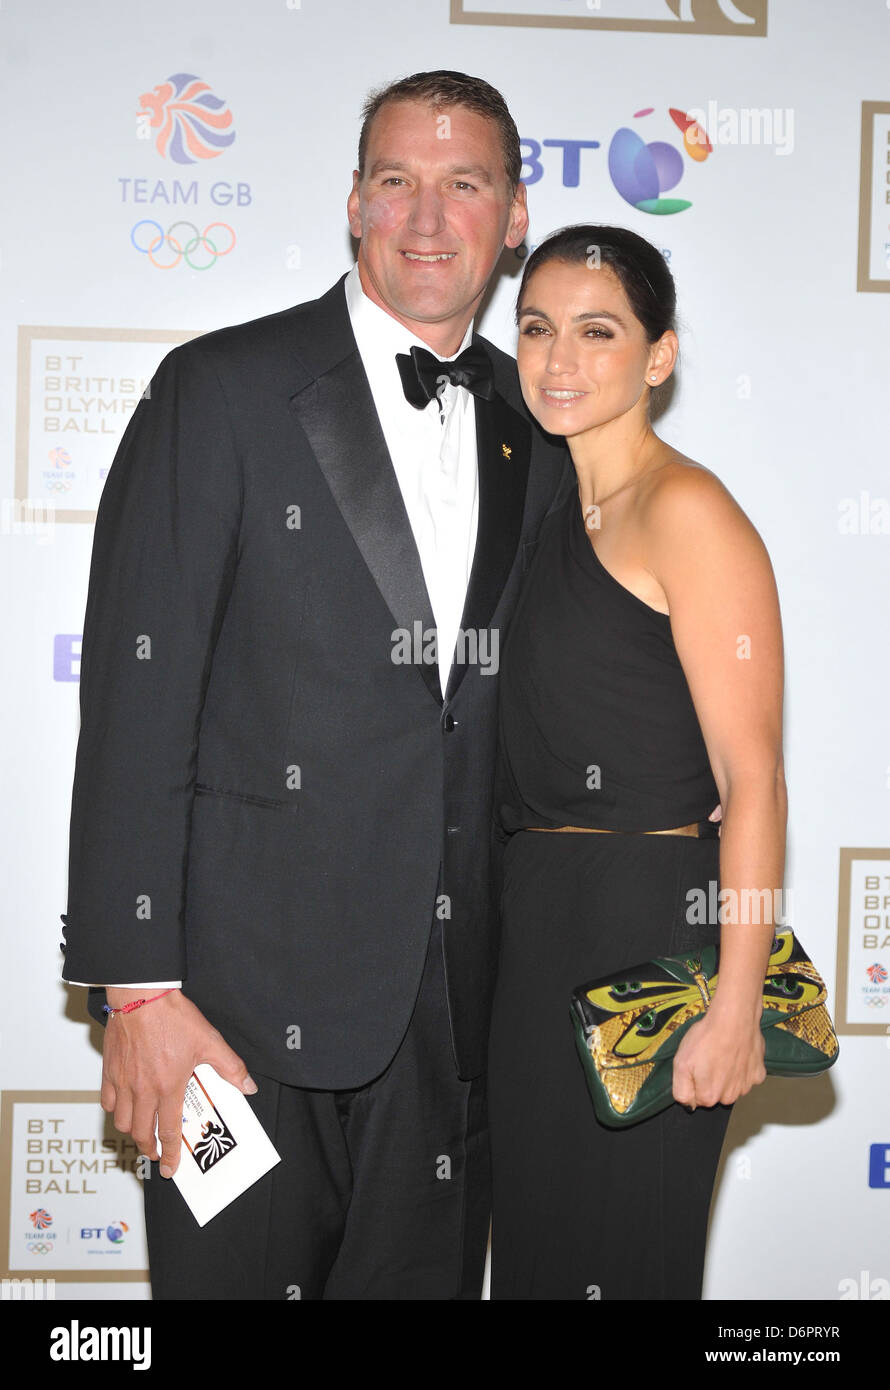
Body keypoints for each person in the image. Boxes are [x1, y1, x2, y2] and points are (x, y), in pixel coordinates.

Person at [60, 71, 572, 1300]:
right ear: (354, 203)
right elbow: (137, 695)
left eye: (466, 185)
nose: (429, 219)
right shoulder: (222, 390)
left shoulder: (544, 427)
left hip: (459, 1025)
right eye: (397, 182)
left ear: (514, 217)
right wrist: (137, 988)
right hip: (233, 1020)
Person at [487, 225, 786, 1300]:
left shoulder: (686, 511)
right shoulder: (539, 512)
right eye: (535, 328)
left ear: (657, 355)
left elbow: (752, 779)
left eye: (596, 331)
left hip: (652, 937)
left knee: (623, 1264)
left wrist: (735, 1002)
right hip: (535, 930)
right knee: (535, 1265)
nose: (557, 360)